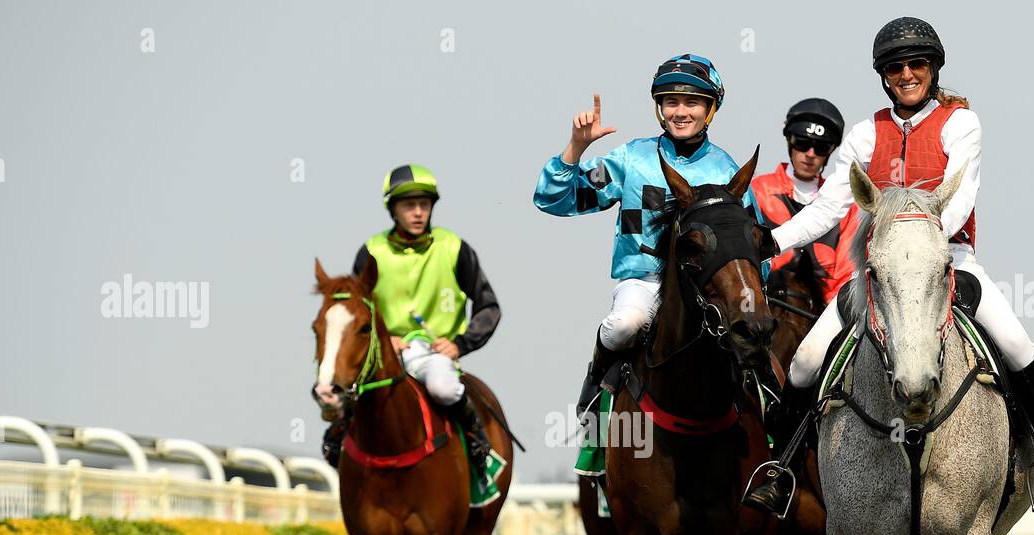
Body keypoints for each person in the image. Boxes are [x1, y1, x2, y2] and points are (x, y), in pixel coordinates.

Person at [744, 16, 1034, 515]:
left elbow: (961, 199)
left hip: (949, 258)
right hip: (879, 270)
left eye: (916, 64)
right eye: (896, 66)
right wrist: (769, 242)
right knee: (807, 359)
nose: (906, 74)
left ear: (933, 68)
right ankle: (781, 468)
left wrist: (918, 241)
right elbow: (827, 209)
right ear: (883, 75)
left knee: (1015, 342)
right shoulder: (863, 134)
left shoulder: (962, 123)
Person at [533, 54, 763, 423]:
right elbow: (553, 200)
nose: (681, 111)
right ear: (659, 108)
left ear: (711, 108)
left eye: (692, 102)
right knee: (626, 324)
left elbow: (751, 248)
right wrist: (575, 148)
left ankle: (767, 428)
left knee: (754, 340)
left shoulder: (727, 170)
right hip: (642, 281)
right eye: (671, 102)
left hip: (707, 289)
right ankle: (595, 397)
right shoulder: (632, 159)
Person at [321, 164, 502, 470]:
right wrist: (383, 339)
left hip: (433, 353)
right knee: (346, 391)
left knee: (444, 389)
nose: (418, 212)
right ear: (393, 210)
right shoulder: (371, 251)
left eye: (424, 204)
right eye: (409, 205)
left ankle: (476, 441)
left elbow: (488, 306)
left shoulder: (454, 248)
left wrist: (460, 344)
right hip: (384, 353)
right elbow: (355, 312)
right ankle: (337, 438)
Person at [751, 97, 858, 306]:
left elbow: (845, 273)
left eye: (821, 148)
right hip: (763, 309)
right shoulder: (756, 191)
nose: (810, 154)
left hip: (819, 314)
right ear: (789, 141)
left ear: (830, 152)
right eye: (802, 143)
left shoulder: (846, 206)